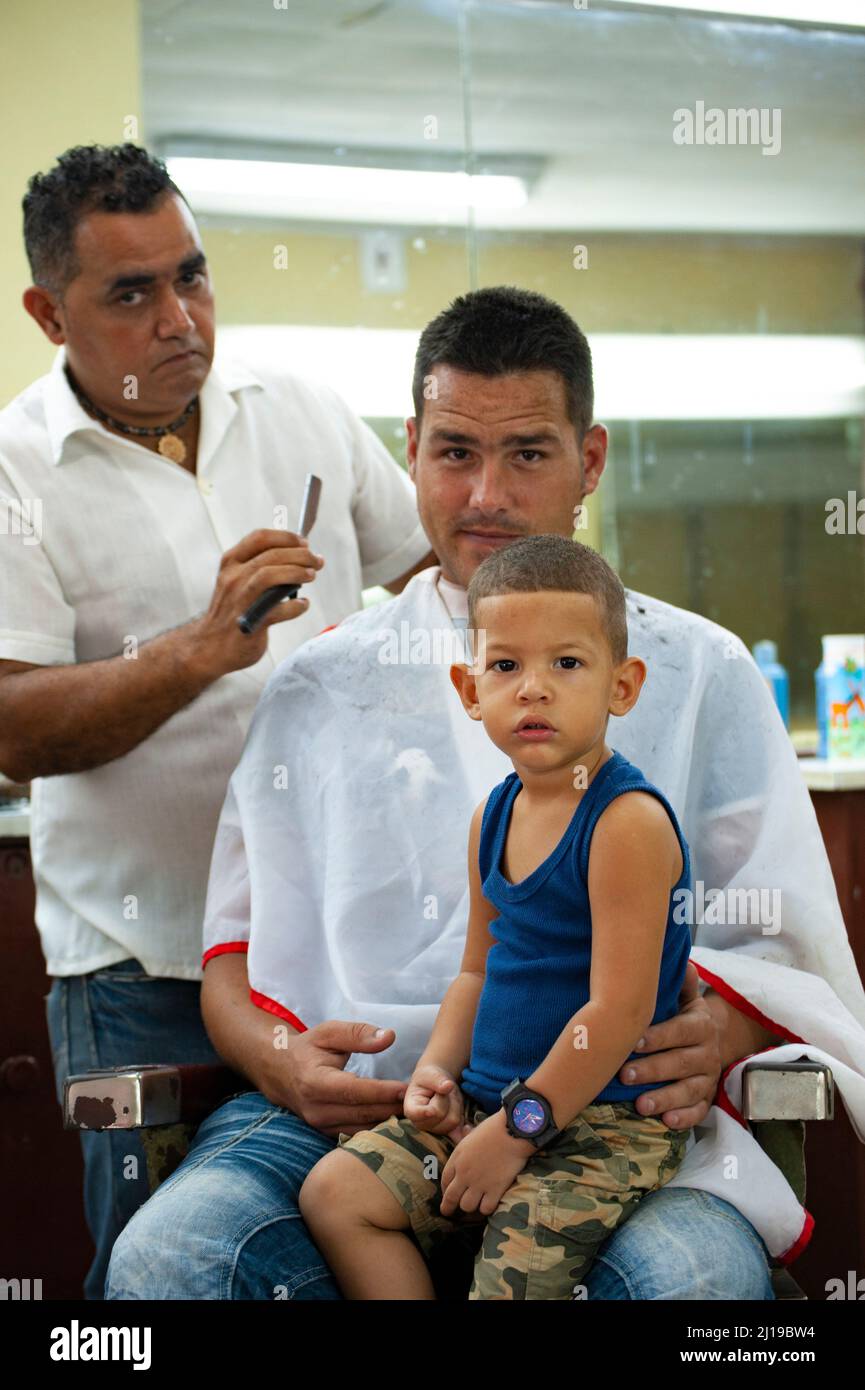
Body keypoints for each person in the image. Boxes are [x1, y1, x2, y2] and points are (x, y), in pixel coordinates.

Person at [107, 286, 865, 1301]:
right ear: (410, 450)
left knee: (697, 1285)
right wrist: (284, 1058)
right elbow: (231, 965)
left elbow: (779, 932)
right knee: (170, 1259)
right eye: (455, 451)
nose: (484, 494)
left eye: (529, 454)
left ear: (589, 461)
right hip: (351, 1114)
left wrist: (724, 1029)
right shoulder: (320, 681)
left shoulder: (698, 668)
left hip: (609, 1112)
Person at [0, 142, 433, 1299]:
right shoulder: (14, 471)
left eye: (190, 276)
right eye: (129, 294)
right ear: (49, 312)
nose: (180, 318)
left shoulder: (301, 412)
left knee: (338, 1253)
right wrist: (197, 650)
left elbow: (444, 578)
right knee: (162, 1271)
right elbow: (12, 726)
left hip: (337, 946)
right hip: (142, 967)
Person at [299, 535, 693, 1300]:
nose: (533, 689)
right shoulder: (492, 816)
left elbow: (617, 1011)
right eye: (505, 665)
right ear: (468, 687)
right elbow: (475, 971)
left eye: (567, 664)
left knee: (509, 1275)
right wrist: (435, 1073)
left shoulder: (626, 823)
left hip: (600, 1126)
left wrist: (517, 1134)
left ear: (623, 684)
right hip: (485, 1106)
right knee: (335, 1196)